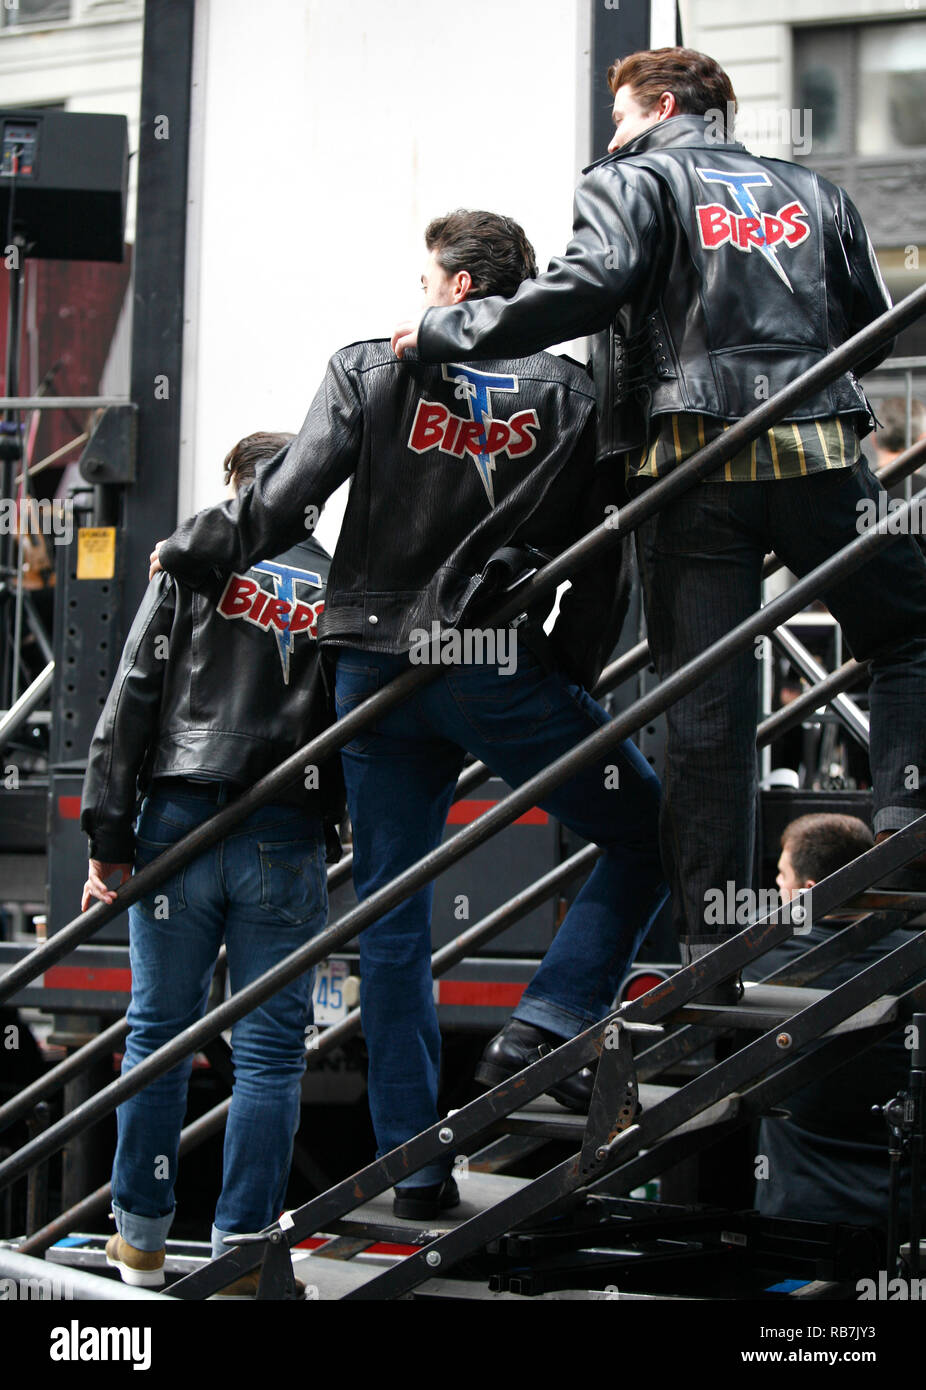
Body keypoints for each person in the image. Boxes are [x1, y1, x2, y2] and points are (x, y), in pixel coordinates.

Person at [149, 210, 668, 1220]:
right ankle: (553, 1014)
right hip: (491, 666)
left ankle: (413, 1170)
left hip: (370, 673)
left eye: (429, 280)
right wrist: (562, 677)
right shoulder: (574, 394)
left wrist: (199, 546)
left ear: (463, 291)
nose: (421, 297)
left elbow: (285, 494)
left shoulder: (368, 367)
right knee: (644, 829)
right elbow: (604, 559)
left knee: (387, 919)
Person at [393, 46, 926, 998]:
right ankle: (900, 821)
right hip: (816, 449)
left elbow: (586, 287)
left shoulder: (631, 177)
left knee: (707, 706)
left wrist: (446, 331)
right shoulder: (816, 189)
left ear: (662, 106)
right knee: (909, 627)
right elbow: (875, 329)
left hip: (689, 459)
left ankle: (709, 953)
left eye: (619, 112)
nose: (611, 132)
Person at [81, 431, 340, 1295]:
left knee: (157, 1038)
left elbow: (132, 700)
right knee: (269, 1054)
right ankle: (239, 1257)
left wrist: (108, 842)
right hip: (287, 829)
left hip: (178, 821)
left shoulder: (190, 561)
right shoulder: (338, 581)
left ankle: (143, 1245)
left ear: (236, 489)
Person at [747, 813, 926, 1238]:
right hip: (901, 1216)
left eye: (782, 877)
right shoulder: (916, 959)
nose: (776, 888)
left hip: (799, 1220)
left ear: (810, 893)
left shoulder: (766, 966)